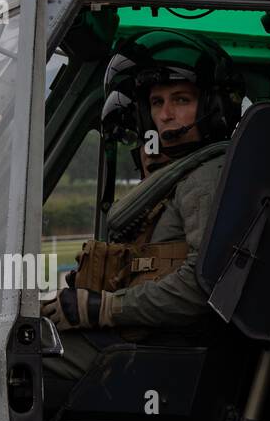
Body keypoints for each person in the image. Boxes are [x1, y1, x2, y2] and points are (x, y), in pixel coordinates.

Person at [41, 29, 246, 387]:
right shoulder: (181, 178)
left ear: (211, 106)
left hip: (163, 347)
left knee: (19, 363)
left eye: (181, 100)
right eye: (156, 103)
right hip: (146, 339)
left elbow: (203, 288)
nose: (165, 115)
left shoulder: (205, 180)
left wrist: (102, 308)